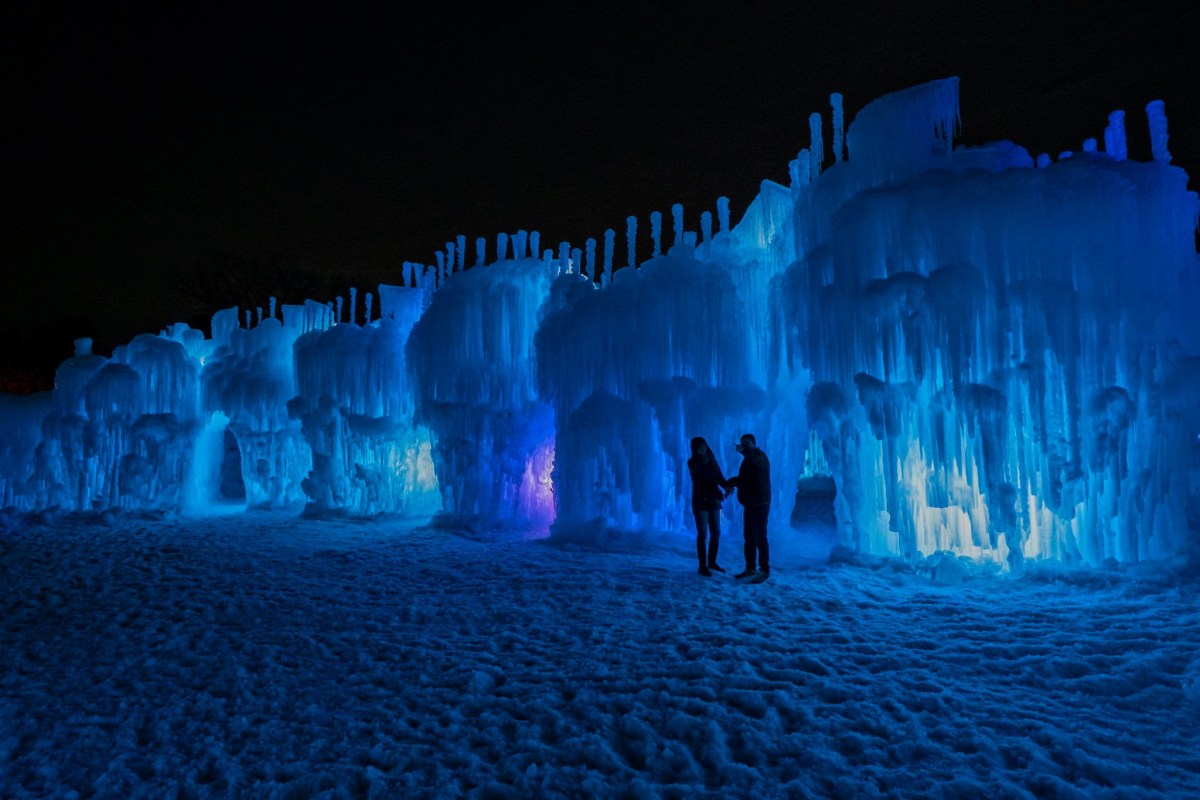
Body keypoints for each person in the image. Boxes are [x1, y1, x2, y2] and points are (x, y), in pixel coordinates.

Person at [723, 433, 771, 583]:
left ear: (754, 444)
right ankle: (750, 568)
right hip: (750, 503)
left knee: (760, 536)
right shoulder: (748, 459)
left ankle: (764, 570)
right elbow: (745, 479)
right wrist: (732, 482)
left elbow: (753, 468)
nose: (744, 447)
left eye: (747, 444)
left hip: (760, 503)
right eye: (742, 444)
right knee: (749, 537)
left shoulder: (760, 456)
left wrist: (733, 481)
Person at [687, 437, 728, 577]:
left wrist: (727, 486)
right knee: (703, 533)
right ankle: (702, 565)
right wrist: (705, 461)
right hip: (700, 500)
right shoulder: (692, 462)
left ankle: (712, 562)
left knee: (716, 532)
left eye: (703, 446)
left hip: (713, 499)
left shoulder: (713, 461)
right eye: (699, 447)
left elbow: (719, 477)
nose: (702, 449)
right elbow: (697, 473)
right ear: (695, 449)